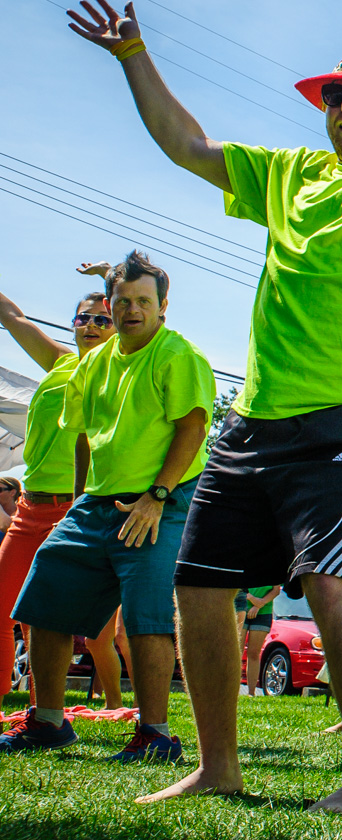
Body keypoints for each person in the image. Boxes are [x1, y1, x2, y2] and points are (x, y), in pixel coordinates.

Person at [68, 0, 342, 810]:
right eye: (336, 95)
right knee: (200, 585)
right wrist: (133, 59)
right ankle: (216, 766)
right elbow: (189, 146)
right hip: (254, 419)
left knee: (331, 582)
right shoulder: (287, 174)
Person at [3, 253, 213, 762]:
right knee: (45, 596)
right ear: (111, 304)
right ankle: (49, 723)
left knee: (145, 616)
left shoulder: (177, 355)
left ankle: (156, 733)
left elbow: (193, 427)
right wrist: (78, 502)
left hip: (161, 499)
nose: (132, 310)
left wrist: (156, 498)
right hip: (96, 500)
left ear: (163, 307)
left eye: (144, 301)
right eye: (123, 301)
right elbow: (81, 437)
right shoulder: (92, 361)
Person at [0, 272, 117, 701]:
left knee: (49, 618)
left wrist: (112, 279)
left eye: (102, 320)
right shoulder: (61, 363)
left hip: (75, 507)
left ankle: (43, 709)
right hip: (30, 507)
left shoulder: (124, 368)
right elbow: (12, 317)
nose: (90, 326)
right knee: (3, 609)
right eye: (83, 318)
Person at [242, 585, 280, 696]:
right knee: (236, 651)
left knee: (254, 653)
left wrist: (259, 604)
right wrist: (251, 598)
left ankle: (251, 693)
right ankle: (231, 690)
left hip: (263, 611)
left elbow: (276, 590)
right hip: (241, 607)